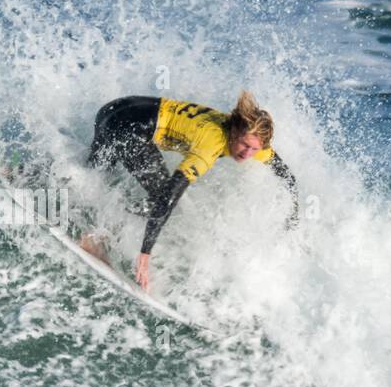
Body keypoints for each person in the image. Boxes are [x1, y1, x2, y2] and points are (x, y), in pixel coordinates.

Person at [82, 91, 297, 291]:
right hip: (127, 128)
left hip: (113, 109)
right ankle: (97, 234)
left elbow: (288, 176)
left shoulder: (253, 142)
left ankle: (85, 221)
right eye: (243, 145)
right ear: (233, 132)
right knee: (159, 198)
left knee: (97, 176)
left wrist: (293, 213)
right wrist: (145, 254)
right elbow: (168, 197)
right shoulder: (210, 144)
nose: (247, 153)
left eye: (254, 149)